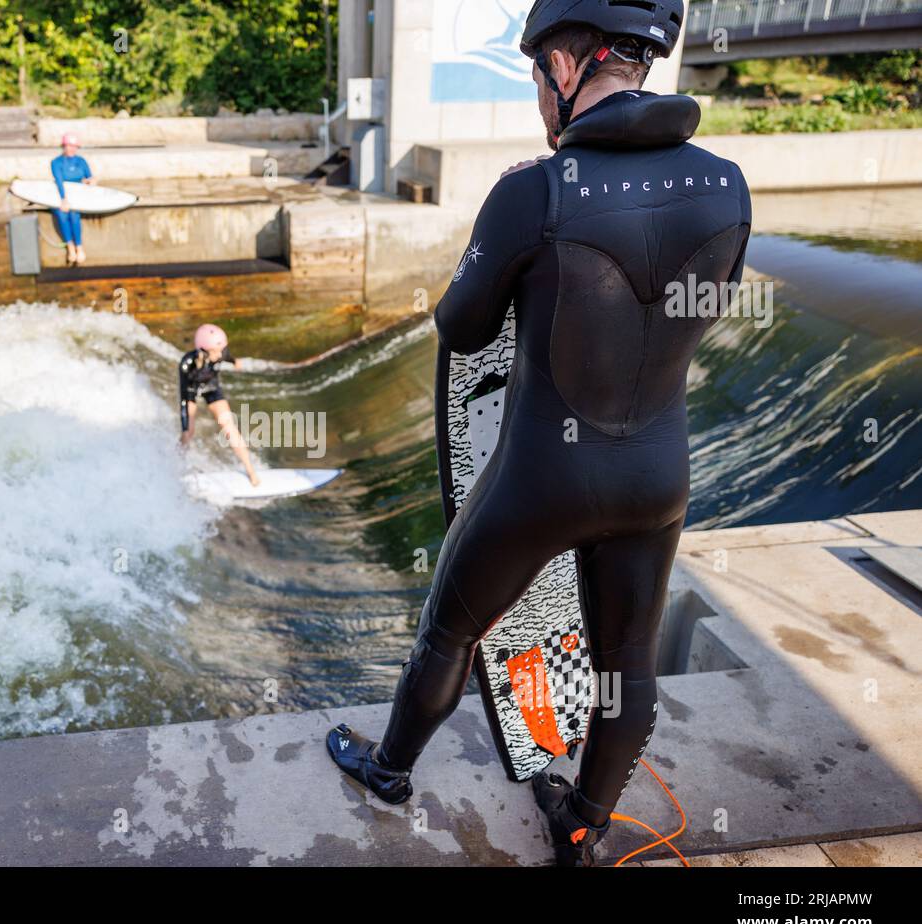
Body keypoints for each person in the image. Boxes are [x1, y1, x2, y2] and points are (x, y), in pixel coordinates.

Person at [326, 0, 751, 866]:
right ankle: (585, 823)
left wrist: (511, 235)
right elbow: (702, 304)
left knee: (451, 630)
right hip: (659, 476)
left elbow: (463, 327)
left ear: (564, 72)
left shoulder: (535, 191)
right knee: (625, 666)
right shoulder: (726, 183)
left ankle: (391, 772)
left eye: (534, 79)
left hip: (542, 482)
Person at [179, 324, 260, 487]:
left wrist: (235, 362)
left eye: (221, 350)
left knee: (229, 426)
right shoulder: (186, 364)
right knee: (188, 432)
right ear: (202, 350)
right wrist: (185, 425)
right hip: (190, 391)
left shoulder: (221, 351)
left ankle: (250, 470)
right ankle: (178, 462)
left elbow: (228, 356)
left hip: (212, 388)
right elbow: (183, 396)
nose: (220, 354)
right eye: (215, 352)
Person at [50, 133, 94, 265]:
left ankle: (79, 247)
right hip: (61, 194)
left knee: (74, 214)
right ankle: (70, 247)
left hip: (78, 196)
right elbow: (59, 181)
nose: (72, 149)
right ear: (63, 146)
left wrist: (90, 182)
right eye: (69, 146)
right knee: (62, 214)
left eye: (74, 146)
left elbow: (90, 177)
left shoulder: (81, 161)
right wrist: (63, 199)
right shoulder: (56, 162)